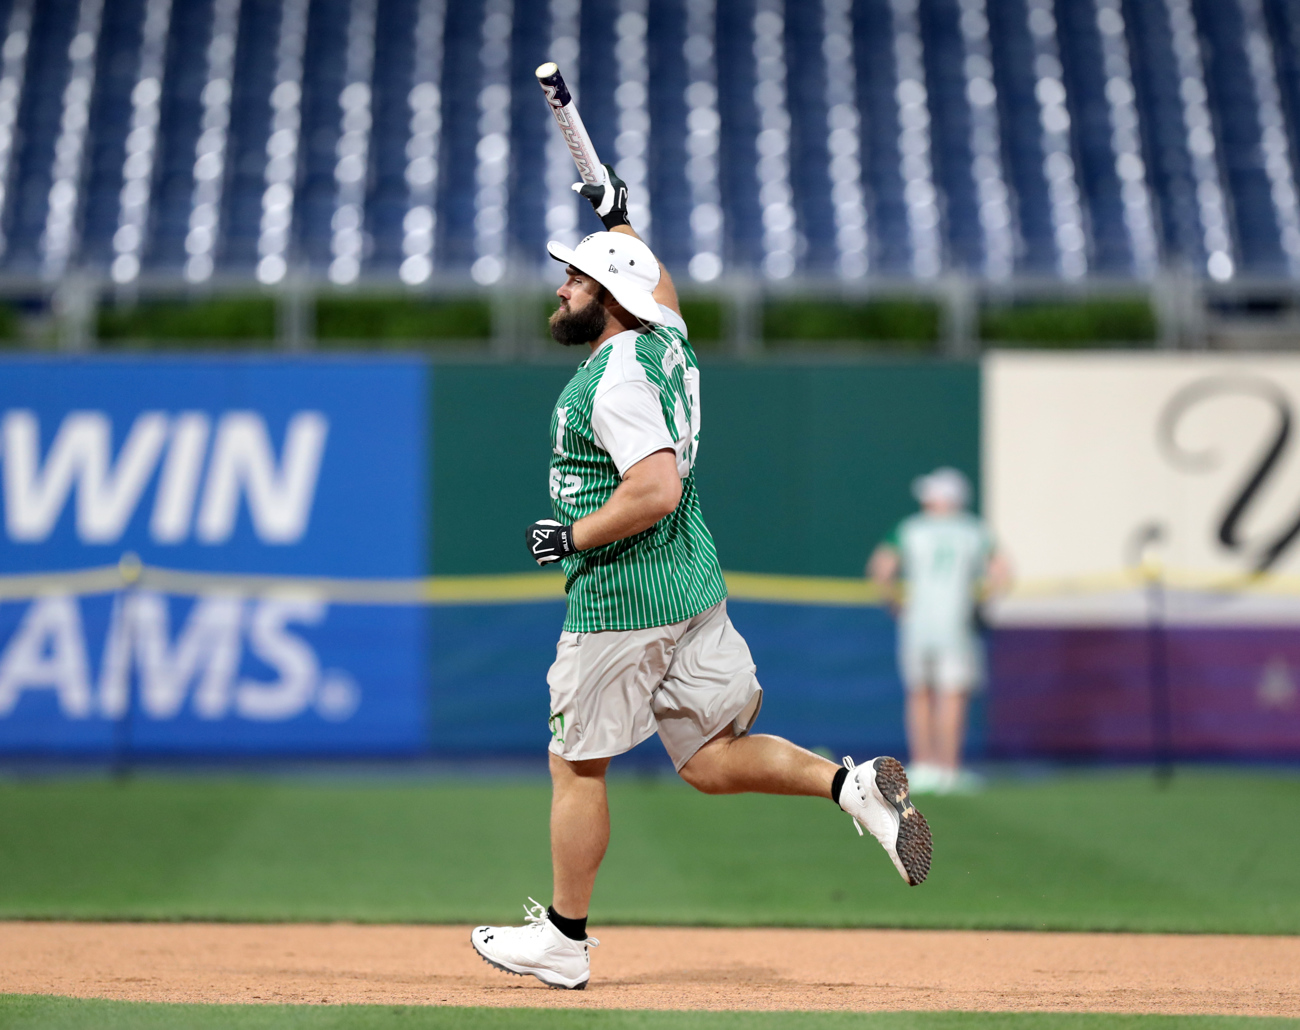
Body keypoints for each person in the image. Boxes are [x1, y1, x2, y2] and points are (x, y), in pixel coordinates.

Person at [470, 167, 933, 991]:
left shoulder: (612, 380)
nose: (563, 285)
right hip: (692, 586)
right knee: (710, 758)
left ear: (608, 294)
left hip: (622, 600)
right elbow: (662, 289)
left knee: (575, 767)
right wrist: (619, 218)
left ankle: (566, 941)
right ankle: (848, 785)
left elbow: (654, 489)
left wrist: (569, 534)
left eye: (576, 276)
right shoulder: (667, 343)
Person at [868, 468, 1010, 795]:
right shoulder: (974, 531)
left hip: (917, 625)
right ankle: (948, 769)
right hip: (956, 625)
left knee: (919, 693)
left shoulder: (910, 529)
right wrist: (980, 603)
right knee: (952, 695)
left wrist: (894, 603)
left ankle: (924, 765)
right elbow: (1002, 572)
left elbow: (881, 568)